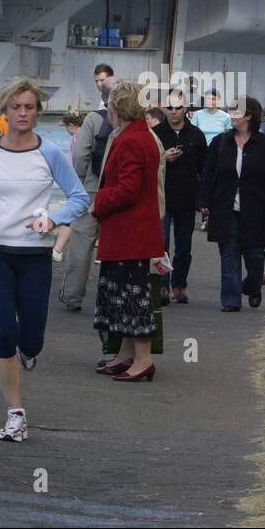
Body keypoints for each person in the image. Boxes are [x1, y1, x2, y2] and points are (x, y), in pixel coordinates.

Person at [0, 78, 90, 443]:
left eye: (29, 107)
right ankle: (16, 414)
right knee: (4, 333)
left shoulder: (51, 154)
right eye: (15, 107)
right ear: (5, 111)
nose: (22, 113)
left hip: (34, 255)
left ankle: (30, 350)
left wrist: (52, 218)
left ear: (37, 112)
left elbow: (79, 197)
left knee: (32, 339)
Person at [92, 81, 165, 382]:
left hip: (129, 232)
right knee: (121, 295)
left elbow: (127, 189)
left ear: (117, 109)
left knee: (133, 296)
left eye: (110, 106)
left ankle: (143, 360)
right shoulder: (140, 136)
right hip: (131, 231)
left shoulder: (131, 140)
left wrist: (98, 203)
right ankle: (125, 354)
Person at [198, 95, 265, 311]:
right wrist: (204, 200)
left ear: (248, 116)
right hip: (225, 207)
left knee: (255, 255)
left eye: (235, 111)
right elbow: (208, 173)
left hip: (255, 207)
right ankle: (230, 300)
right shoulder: (221, 142)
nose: (230, 115)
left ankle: (254, 286)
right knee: (229, 253)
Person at [56, 75, 117, 311]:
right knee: (116, 245)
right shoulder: (134, 120)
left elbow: (81, 155)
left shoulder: (93, 118)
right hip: (121, 190)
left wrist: (80, 183)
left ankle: (72, 296)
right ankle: (113, 296)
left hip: (92, 187)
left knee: (81, 245)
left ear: (102, 96)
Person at [153, 90, 207, 304]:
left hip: (187, 198)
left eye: (178, 107)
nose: (173, 112)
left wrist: (204, 200)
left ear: (185, 109)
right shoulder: (156, 133)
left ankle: (180, 285)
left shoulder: (196, 135)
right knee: (161, 244)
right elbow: (147, 163)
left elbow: (205, 168)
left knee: (184, 247)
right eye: (169, 108)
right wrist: (163, 158)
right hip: (162, 197)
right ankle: (161, 286)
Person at [192, 88, 233, 228]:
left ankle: (215, 216)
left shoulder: (225, 116)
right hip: (203, 153)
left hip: (219, 153)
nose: (211, 101)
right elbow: (194, 133)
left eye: (214, 99)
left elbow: (229, 135)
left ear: (218, 100)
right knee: (205, 183)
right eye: (208, 98)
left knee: (217, 184)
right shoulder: (198, 115)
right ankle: (204, 216)